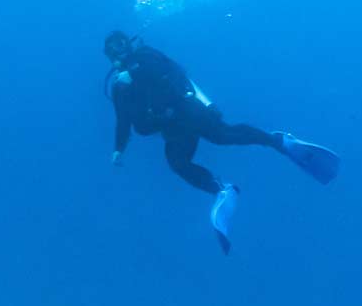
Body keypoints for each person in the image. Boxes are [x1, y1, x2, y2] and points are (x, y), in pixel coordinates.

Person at [104, 30, 338, 253]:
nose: (119, 51)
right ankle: (221, 189)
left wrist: (135, 74)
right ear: (110, 57)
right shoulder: (119, 88)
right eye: (113, 50)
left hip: (186, 110)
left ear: (129, 43)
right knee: (177, 163)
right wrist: (119, 149)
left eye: (121, 44)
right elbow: (122, 120)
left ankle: (279, 142)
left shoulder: (145, 55)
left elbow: (173, 71)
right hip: (172, 128)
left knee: (224, 136)